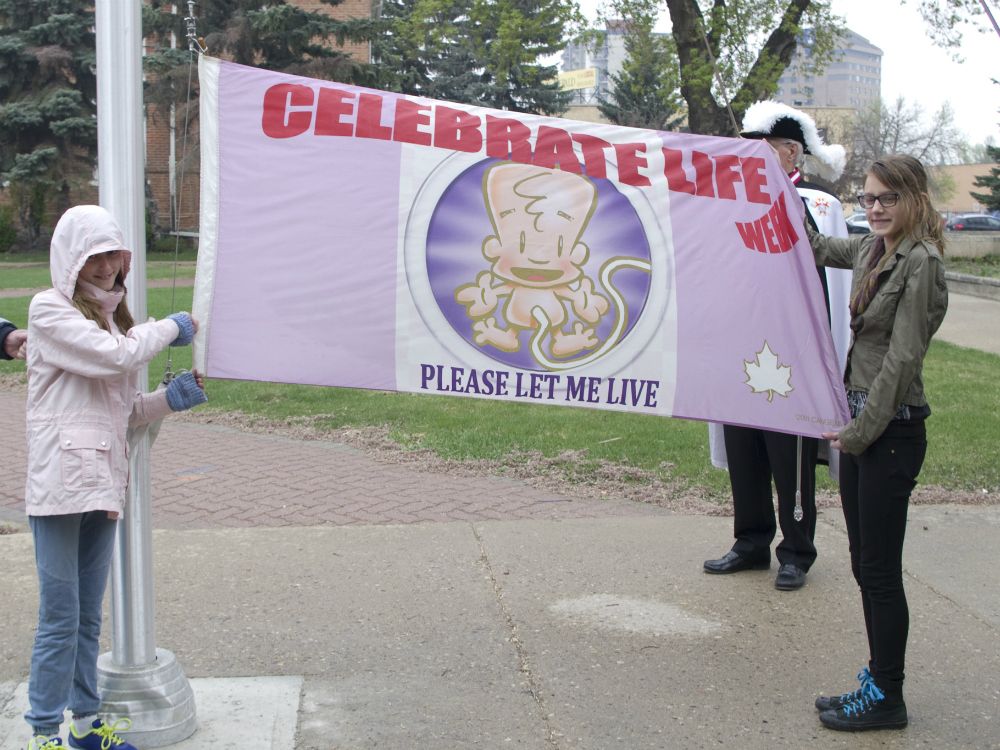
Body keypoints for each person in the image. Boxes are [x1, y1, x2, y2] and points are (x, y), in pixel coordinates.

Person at [23, 205, 208, 750]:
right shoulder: (48, 311)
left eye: (113, 255)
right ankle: (42, 733)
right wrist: (168, 328)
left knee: (84, 618)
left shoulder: (110, 320)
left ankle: (84, 725)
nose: (106, 267)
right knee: (59, 618)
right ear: (72, 259)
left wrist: (170, 402)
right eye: (95, 256)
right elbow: (112, 359)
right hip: (60, 484)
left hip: (103, 480)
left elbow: (124, 413)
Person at [807, 155, 947, 731]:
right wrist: (773, 187)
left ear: (914, 198)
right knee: (865, 564)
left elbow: (903, 357)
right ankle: (876, 675)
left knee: (881, 570)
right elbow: (817, 247)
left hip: (889, 433)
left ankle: (889, 695)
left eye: (888, 198)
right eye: (867, 199)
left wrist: (859, 433)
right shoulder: (871, 250)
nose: (875, 209)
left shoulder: (923, 265)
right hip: (863, 429)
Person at [705, 101, 852, 591]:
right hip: (739, 343)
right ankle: (750, 541)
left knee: (789, 455)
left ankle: (796, 551)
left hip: (792, 351)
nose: (753, 159)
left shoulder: (819, 205)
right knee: (744, 451)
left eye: (762, 150)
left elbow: (833, 279)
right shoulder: (731, 200)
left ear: (791, 154)